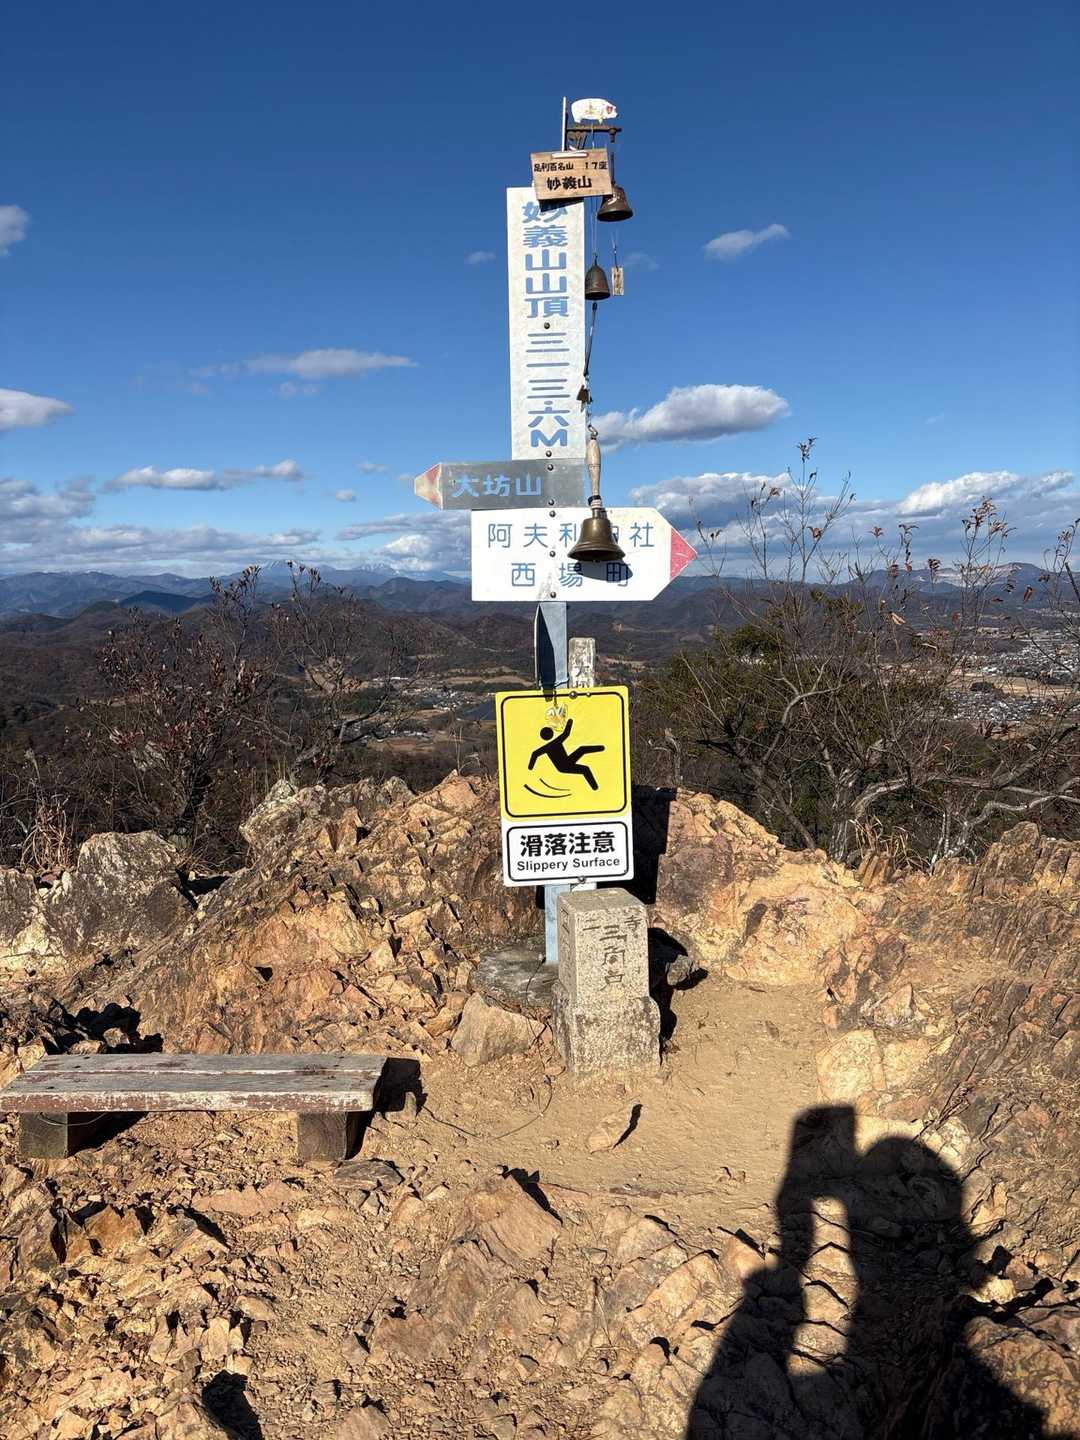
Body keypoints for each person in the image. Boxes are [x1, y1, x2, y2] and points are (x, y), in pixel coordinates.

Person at [528, 717, 604, 791]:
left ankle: (602, 748)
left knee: (582, 750)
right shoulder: (556, 742)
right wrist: (570, 722)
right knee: (585, 768)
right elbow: (566, 733)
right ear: (551, 734)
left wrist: (530, 767)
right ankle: (595, 787)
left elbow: (534, 754)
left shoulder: (547, 747)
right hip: (564, 766)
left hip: (567, 761)